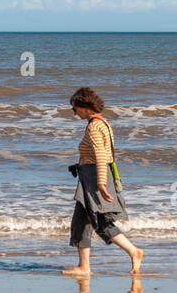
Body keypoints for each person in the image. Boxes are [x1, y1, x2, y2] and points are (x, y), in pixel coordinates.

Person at [61, 87, 144, 276]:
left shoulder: (94, 126)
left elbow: (100, 156)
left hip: (94, 177)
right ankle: (84, 267)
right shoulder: (103, 123)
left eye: (75, 109)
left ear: (84, 107)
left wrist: (100, 184)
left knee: (100, 221)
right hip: (91, 176)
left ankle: (133, 251)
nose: (74, 113)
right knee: (82, 222)